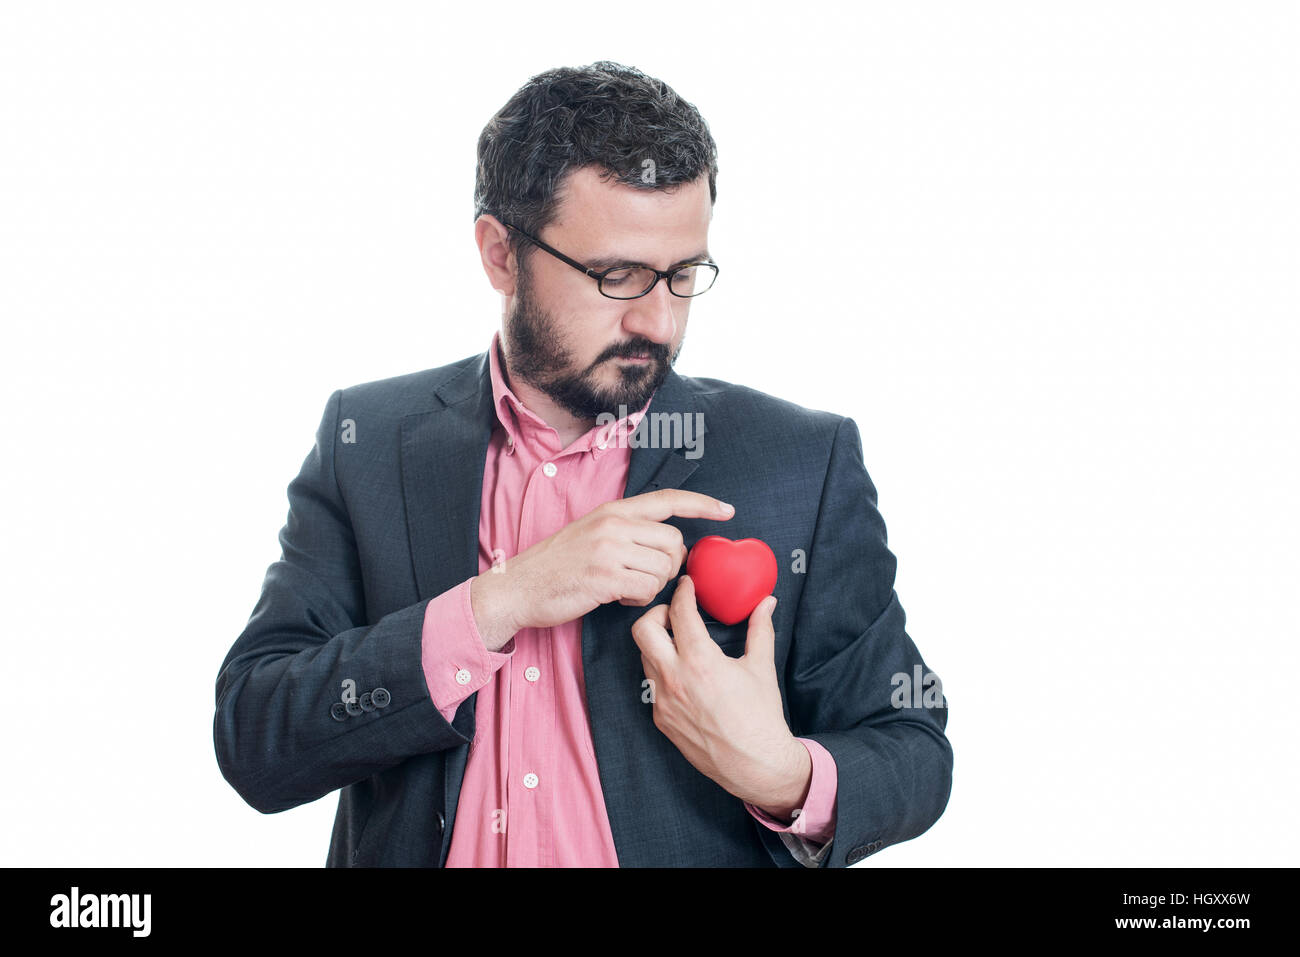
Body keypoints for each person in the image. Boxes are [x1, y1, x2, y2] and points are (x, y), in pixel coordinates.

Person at [213, 60, 952, 867]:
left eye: (683, 274)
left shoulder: (801, 461)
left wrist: (781, 773)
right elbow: (257, 736)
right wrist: (502, 601)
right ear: (501, 254)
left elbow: (912, 746)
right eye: (618, 275)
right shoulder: (368, 438)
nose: (659, 319)